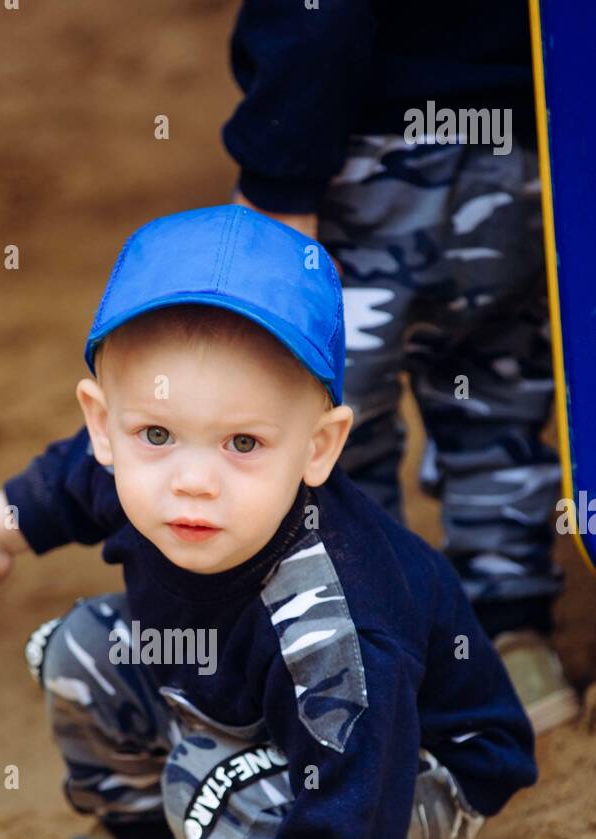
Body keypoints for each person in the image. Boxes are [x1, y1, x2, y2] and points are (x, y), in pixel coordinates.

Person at [0, 206, 537, 839]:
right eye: (156, 434)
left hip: (415, 768)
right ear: (105, 422)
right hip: (244, 703)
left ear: (319, 446)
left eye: (244, 443)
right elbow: (62, 483)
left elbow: (351, 815)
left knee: (226, 798)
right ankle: (145, 837)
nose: (191, 479)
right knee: (82, 648)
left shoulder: (334, 620)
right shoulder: (139, 470)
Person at [223, 0, 578, 734]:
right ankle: (512, 644)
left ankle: (370, 655)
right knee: (498, 403)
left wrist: (278, 179)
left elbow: (315, 17)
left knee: (334, 421)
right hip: (526, 154)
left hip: (371, 167)